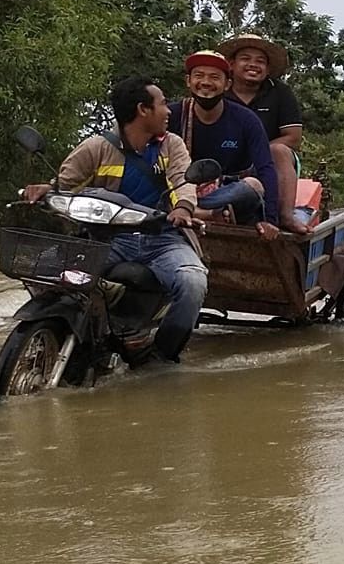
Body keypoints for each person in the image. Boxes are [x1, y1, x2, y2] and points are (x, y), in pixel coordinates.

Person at [25, 78, 207, 362]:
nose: (168, 111)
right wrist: (47, 190)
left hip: (163, 239)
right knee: (47, 269)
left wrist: (183, 208)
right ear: (143, 110)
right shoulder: (96, 147)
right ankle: (58, 330)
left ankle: (161, 356)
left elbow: (183, 181)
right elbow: (65, 184)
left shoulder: (172, 145)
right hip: (107, 239)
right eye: (162, 104)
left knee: (193, 283)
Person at [169, 50, 281, 238]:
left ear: (227, 84)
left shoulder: (246, 119)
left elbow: (266, 167)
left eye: (214, 77)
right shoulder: (173, 115)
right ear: (188, 81)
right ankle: (204, 213)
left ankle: (202, 211)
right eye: (199, 75)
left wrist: (270, 220)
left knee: (252, 185)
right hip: (181, 192)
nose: (206, 82)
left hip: (226, 193)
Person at [216, 32, 309, 233]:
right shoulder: (220, 92)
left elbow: (293, 137)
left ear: (267, 68)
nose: (253, 65)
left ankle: (285, 216)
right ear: (231, 64)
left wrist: (258, 153)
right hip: (225, 156)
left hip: (270, 159)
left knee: (279, 151)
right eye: (246, 59)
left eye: (260, 61)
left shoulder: (280, 92)